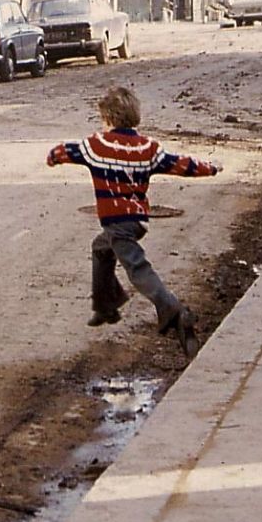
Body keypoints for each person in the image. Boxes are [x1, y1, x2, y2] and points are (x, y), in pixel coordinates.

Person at [46, 84, 222, 359]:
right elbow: (181, 165)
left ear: (109, 118)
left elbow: (64, 151)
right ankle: (106, 305)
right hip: (137, 221)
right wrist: (210, 168)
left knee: (138, 269)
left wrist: (53, 158)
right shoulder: (148, 148)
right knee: (101, 249)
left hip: (116, 222)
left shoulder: (97, 145)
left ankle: (173, 310)